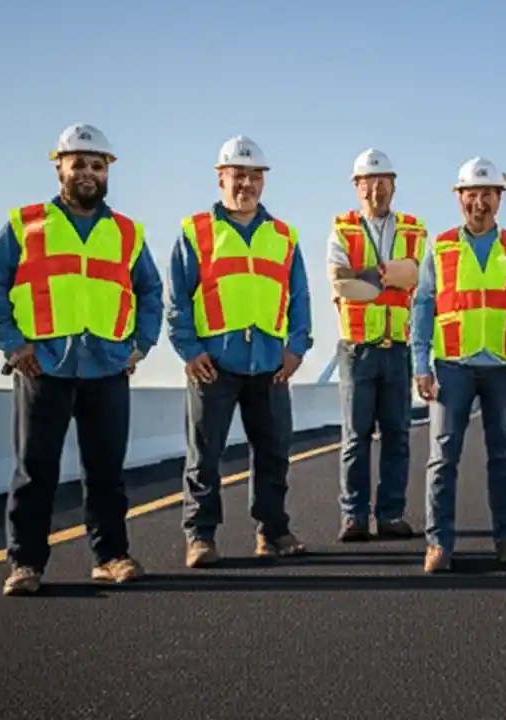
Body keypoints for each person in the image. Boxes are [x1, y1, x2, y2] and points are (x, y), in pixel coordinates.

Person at [0, 122, 164, 596]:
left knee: (106, 471)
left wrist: (139, 344)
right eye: (77, 163)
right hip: (45, 367)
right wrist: (15, 345)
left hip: (107, 367)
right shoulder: (26, 225)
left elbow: (151, 291)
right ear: (59, 167)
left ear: (107, 172)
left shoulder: (126, 233)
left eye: (96, 165)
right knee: (35, 470)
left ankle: (111, 556)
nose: (87, 172)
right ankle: (25, 564)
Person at [165, 135, 313, 568]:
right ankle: (201, 536)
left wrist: (297, 348)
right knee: (205, 455)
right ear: (220, 178)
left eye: (254, 176)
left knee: (273, 451)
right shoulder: (196, 232)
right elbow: (178, 299)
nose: (245, 183)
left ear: (263, 182)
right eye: (237, 175)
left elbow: (299, 296)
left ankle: (272, 531)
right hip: (214, 364)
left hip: (269, 365)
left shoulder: (283, 236)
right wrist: (190, 351)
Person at [410, 156, 506, 573]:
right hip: (452, 367)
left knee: (503, 457)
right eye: (472, 195)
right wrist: (420, 364)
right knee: (443, 457)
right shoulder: (442, 246)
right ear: (459, 198)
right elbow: (424, 304)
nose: (479, 203)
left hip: (502, 367)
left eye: (487, 194)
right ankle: (439, 544)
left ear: (498, 200)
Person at [327, 148, 425, 542]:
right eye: (367, 182)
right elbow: (340, 280)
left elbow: (420, 276)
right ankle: (353, 516)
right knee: (356, 436)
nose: (375, 189)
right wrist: (393, 275)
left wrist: (369, 276)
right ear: (356, 186)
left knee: (397, 434)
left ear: (393, 185)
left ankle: (389, 515)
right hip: (358, 348)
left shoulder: (414, 229)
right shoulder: (343, 229)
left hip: (397, 345)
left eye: (382, 181)